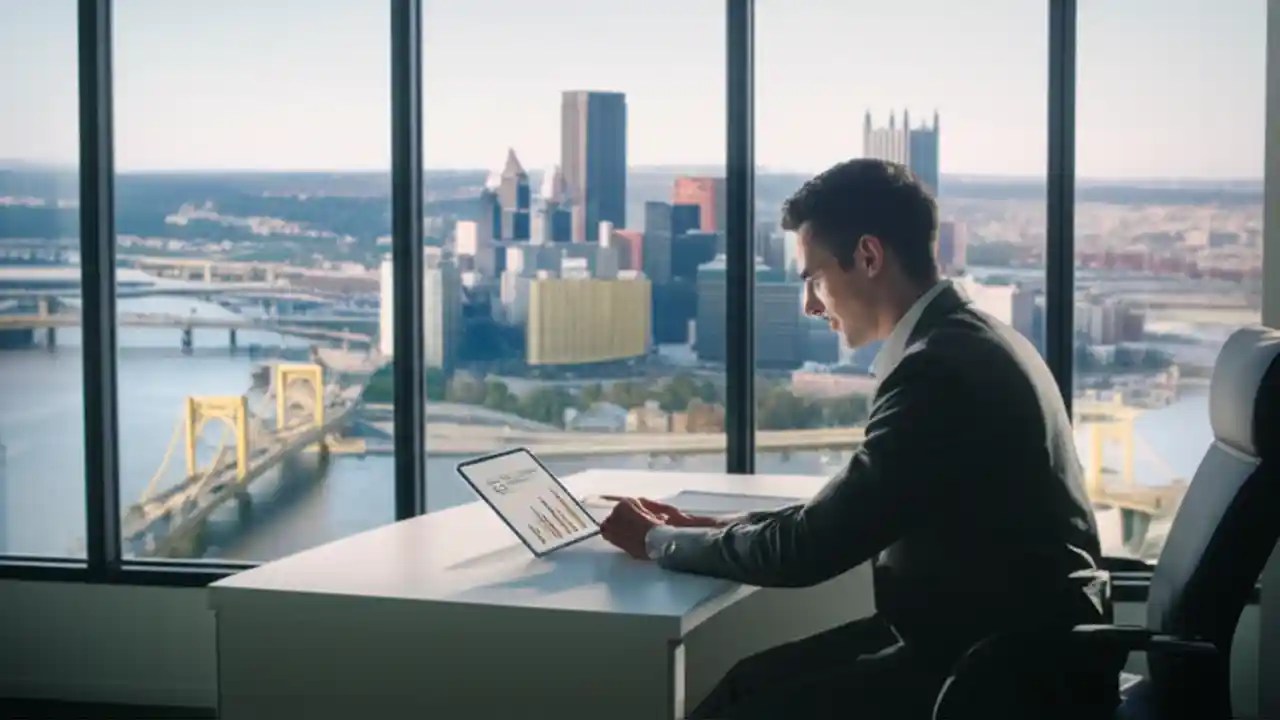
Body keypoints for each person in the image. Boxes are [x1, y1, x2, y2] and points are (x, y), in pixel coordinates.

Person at [599, 159, 1105, 719]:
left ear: (868, 257)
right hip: (1000, 644)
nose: (811, 305)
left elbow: (810, 548)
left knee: (747, 703)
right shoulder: (974, 338)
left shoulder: (936, 372)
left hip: (994, 675)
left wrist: (658, 541)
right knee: (748, 685)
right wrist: (714, 527)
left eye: (814, 278)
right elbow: (853, 507)